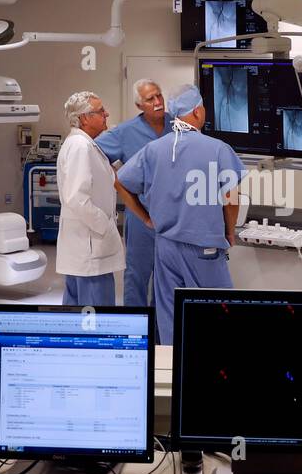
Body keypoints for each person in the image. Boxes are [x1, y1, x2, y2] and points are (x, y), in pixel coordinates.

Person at [116, 84, 245, 343]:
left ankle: (172, 372)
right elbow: (231, 199)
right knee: (218, 314)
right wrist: (229, 232)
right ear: (197, 112)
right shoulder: (217, 149)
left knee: (170, 315)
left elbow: (120, 182)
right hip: (204, 249)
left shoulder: (154, 150)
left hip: (166, 247)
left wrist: (145, 217)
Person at [95, 79, 167, 310]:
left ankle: (162, 333)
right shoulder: (125, 133)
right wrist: (117, 180)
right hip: (142, 216)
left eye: (159, 96)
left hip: (173, 216)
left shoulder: (177, 125)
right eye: (150, 99)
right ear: (139, 106)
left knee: (167, 279)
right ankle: (136, 328)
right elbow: (93, 151)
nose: (157, 102)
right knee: (137, 274)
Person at [55, 91, 125, 307]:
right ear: (84, 118)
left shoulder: (84, 144)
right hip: (90, 246)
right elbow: (77, 198)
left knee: (77, 312)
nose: (107, 114)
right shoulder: (80, 146)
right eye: (100, 111)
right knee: (96, 316)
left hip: (83, 246)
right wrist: (104, 225)